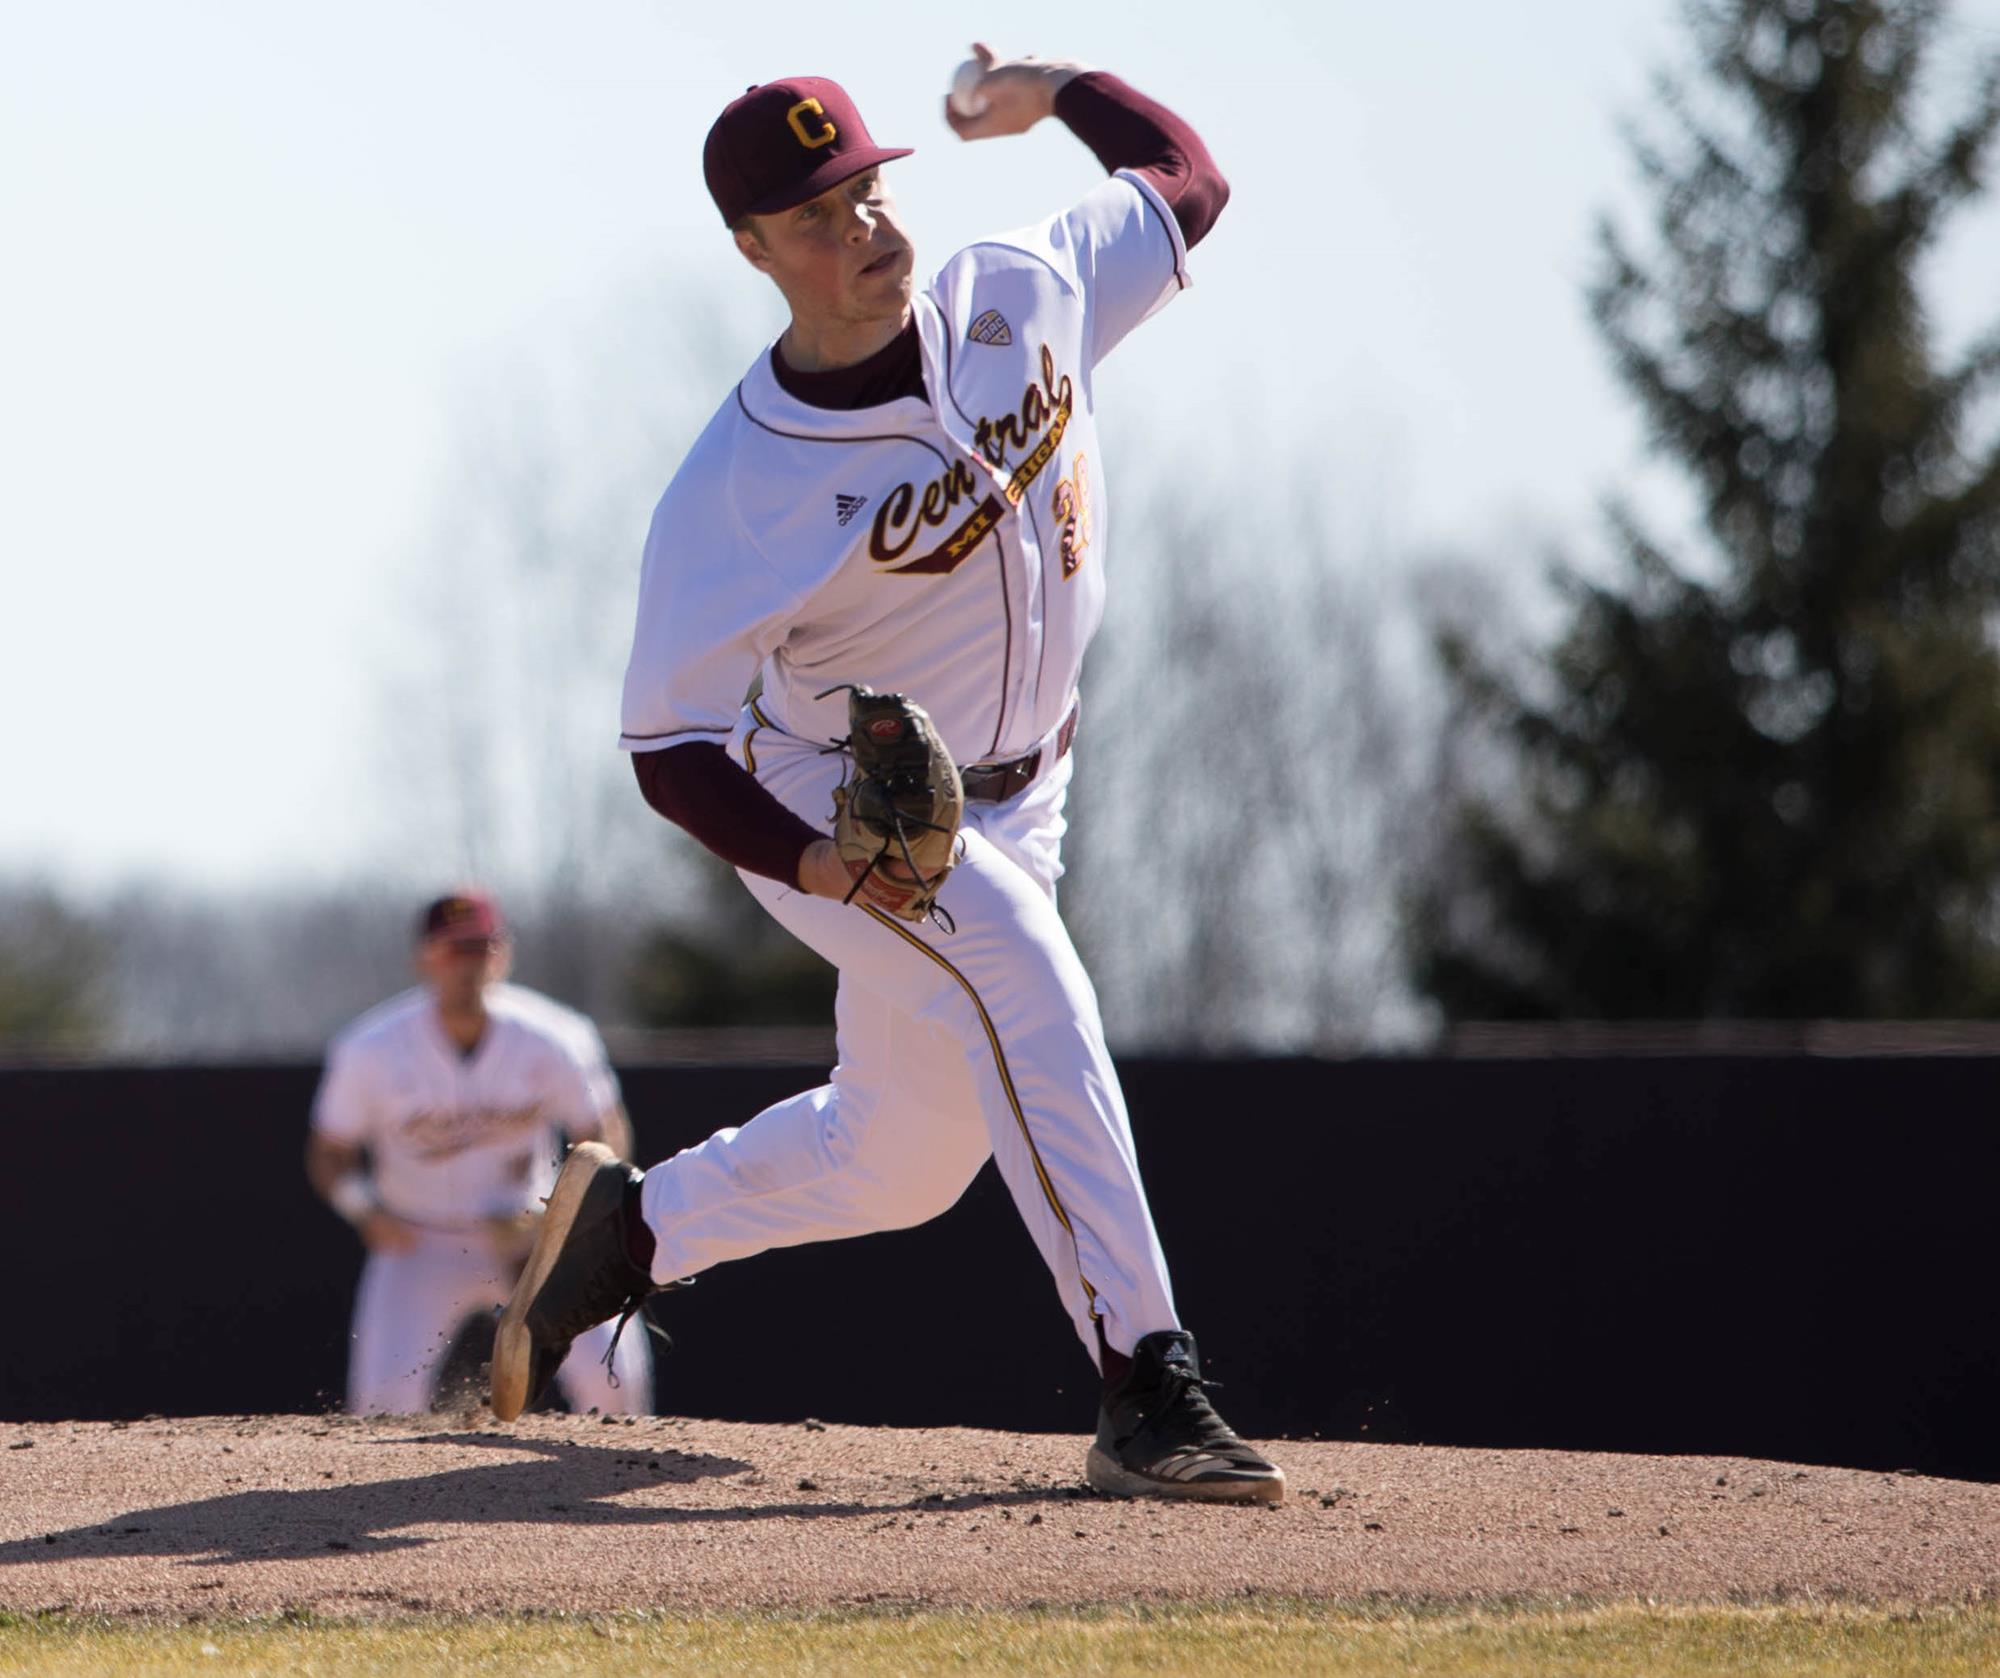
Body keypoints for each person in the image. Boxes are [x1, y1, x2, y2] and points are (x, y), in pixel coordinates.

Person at [493, 45, 1283, 1503]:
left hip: (1030, 785)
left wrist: (1054, 92)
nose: (860, 228)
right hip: (837, 798)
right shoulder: (737, 484)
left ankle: (633, 1231)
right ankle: (1149, 1382)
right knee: (1025, 966)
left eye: (864, 190)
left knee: (907, 1155)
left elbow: (1188, 183)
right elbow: (668, 747)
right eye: (815, 215)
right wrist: (810, 860)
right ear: (753, 252)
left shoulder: (1018, 289)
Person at [306, 891, 652, 1415]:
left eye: (481, 946)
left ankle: (611, 1483)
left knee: (615, 1383)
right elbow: (329, 1151)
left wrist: (556, 1214)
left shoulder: (553, 1035)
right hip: (417, 1241)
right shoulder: (371, 1047)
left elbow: (604, 1133)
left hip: (532, 1240)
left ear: (503, 954)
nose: (468, 962)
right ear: (424, 957)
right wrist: (363, 1209)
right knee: (381, 1404)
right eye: (453, 948)